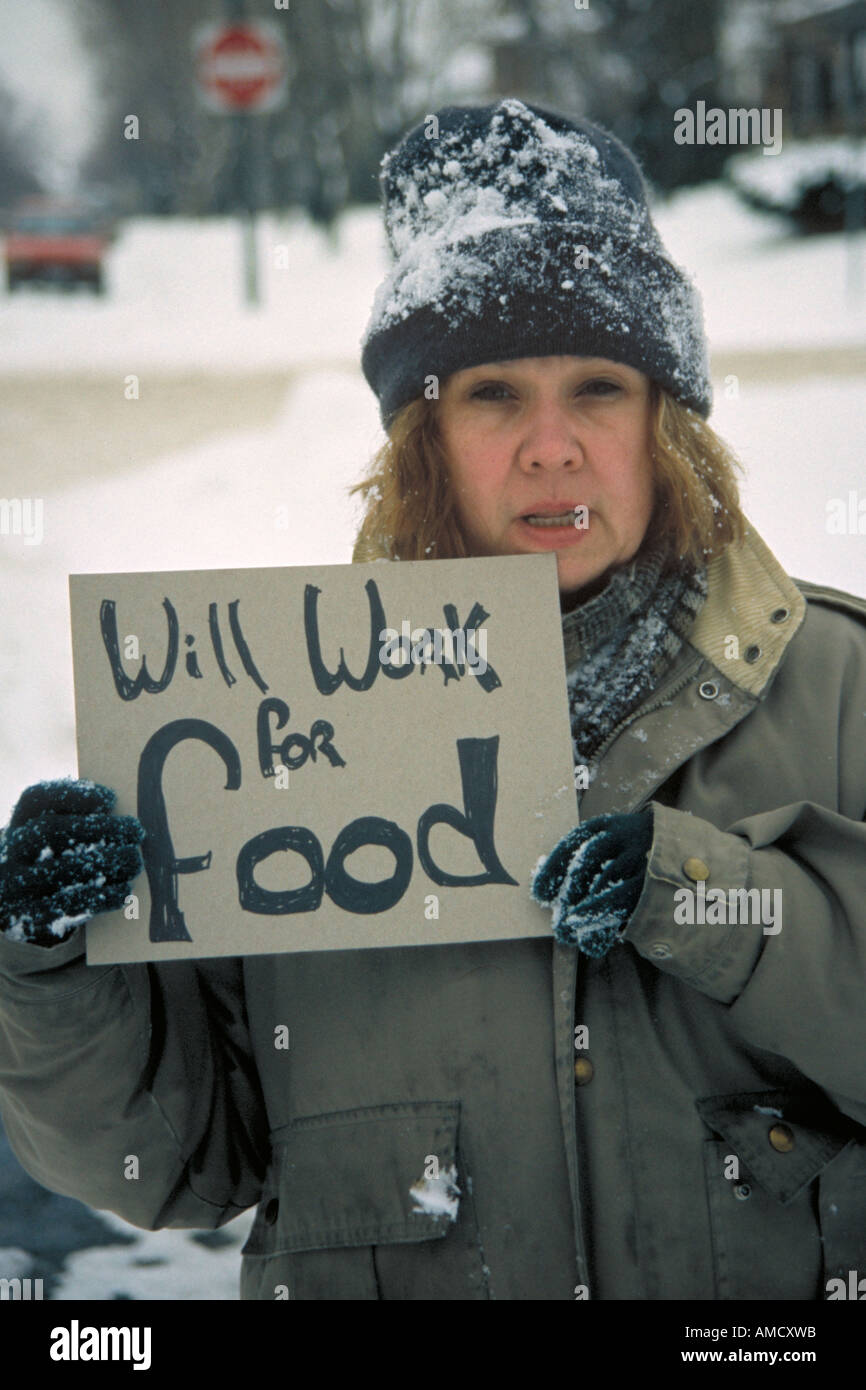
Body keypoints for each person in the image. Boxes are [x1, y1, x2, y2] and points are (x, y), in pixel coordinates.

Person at [0, 97, 864, 1302]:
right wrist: (55, 965)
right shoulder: (273, 729)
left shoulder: (836, 688)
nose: (550, 446)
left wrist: (702, 898)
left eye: (599, 388)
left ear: (669, 420)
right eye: (493, 393)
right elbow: (173, 1165)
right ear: (423, 435)